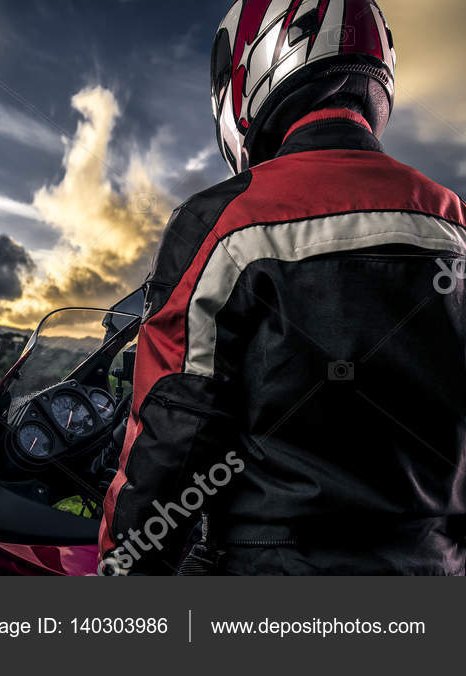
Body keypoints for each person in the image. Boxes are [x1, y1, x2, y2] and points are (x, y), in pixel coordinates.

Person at [101, 0, 466, 575]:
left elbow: (177, 436)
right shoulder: (455, 222)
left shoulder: (223, 222)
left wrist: (123, 579)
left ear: (255, 65)